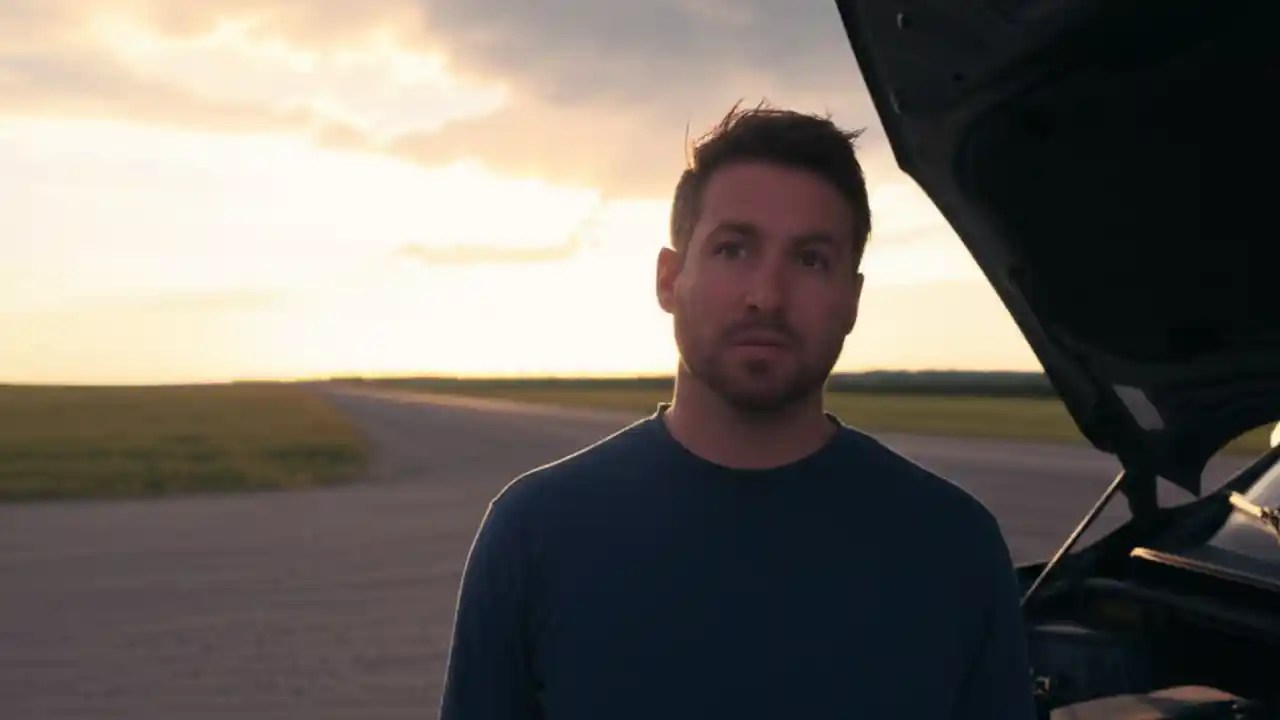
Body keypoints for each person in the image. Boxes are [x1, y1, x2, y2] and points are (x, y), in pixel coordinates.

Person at [438, 102, 1037, 719]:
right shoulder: (533, 535)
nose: (766, 296)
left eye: (810, 260)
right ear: (669, 279)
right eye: (733, 250)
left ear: (852, 301)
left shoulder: (953, 548)